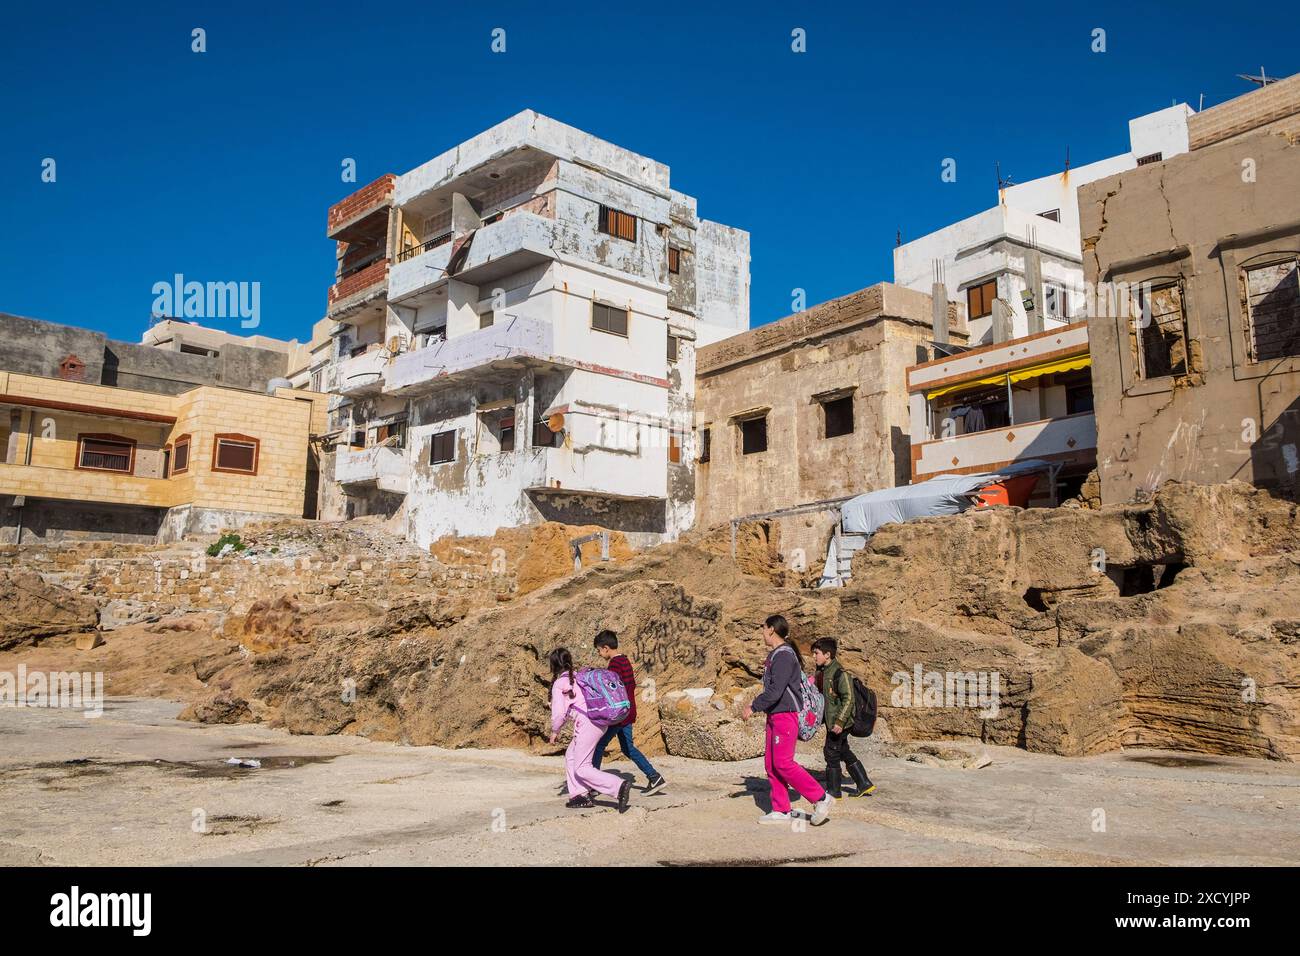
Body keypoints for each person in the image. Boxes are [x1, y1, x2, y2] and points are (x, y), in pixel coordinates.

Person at [742, 615, 833, 826]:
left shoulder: (783, 656)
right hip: (775, 715)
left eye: (763, 628)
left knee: (783, 763)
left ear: (772, 629)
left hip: (785, 715)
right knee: (771, 765)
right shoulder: (776, 654)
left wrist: (753, 706)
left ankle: (821, 797)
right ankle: (781, 809)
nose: (762, 632)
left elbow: (776, 690)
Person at [548, 647, 632, 812]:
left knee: (582, 767)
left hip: (588, 724)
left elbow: (558, 714)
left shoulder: (560, 683)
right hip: (597, 721)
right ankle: (579, 795)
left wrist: (554, 732)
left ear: (554, 666)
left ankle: (618, 786)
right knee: (571, 756)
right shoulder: (579, 677)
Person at [592, 631, 667, 795]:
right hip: (628, 712)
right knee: (628, 748)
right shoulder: (624, 660)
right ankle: (654, 777)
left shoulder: (614, 665)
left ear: (605, 648)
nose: (599, 653)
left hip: (619, 715)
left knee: (599, 746)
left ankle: (594, 784)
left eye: (598, 650)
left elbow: (612, 692)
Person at [811, 637, 875, 798]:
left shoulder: (840, 674)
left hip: (841, 723)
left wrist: (839, 722)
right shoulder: (824, 672)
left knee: (830, 753)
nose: (814, 656)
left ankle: (834, 791)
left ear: (827, 655)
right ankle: (864, 783)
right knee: (843, 751)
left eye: (816, 653)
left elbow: (849, 699)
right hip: (833, 722)